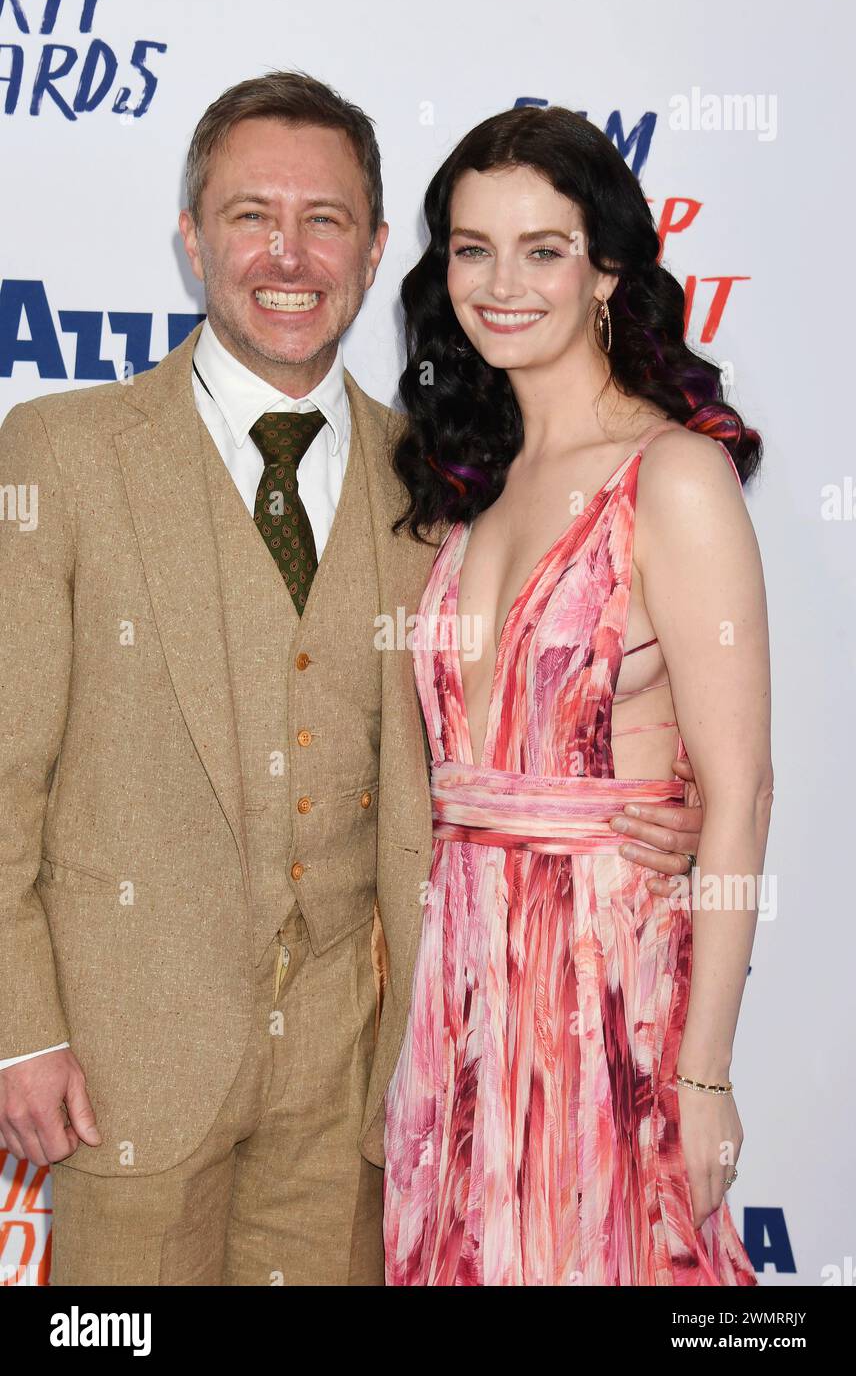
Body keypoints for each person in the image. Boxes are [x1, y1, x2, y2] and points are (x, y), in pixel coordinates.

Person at [0, 75, 704, 1286]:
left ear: (376, 250)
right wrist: (22, 1031)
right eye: (248, 215)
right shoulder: (57, 454)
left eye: (324, 220)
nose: (288, 253)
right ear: (190, 236)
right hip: (120, 1072)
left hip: (367, 1083)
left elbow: (511, 710)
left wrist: (639, 801)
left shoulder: (439, 477)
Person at [383, 104, 772, 1286]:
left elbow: (743, 793)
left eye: (542, 249)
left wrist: (703, 1076)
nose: (501, 283)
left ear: (607, 268)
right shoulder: (472, 486)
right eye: (470, 246)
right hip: (454, 1001)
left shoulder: (675, 475)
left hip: (608, 997)